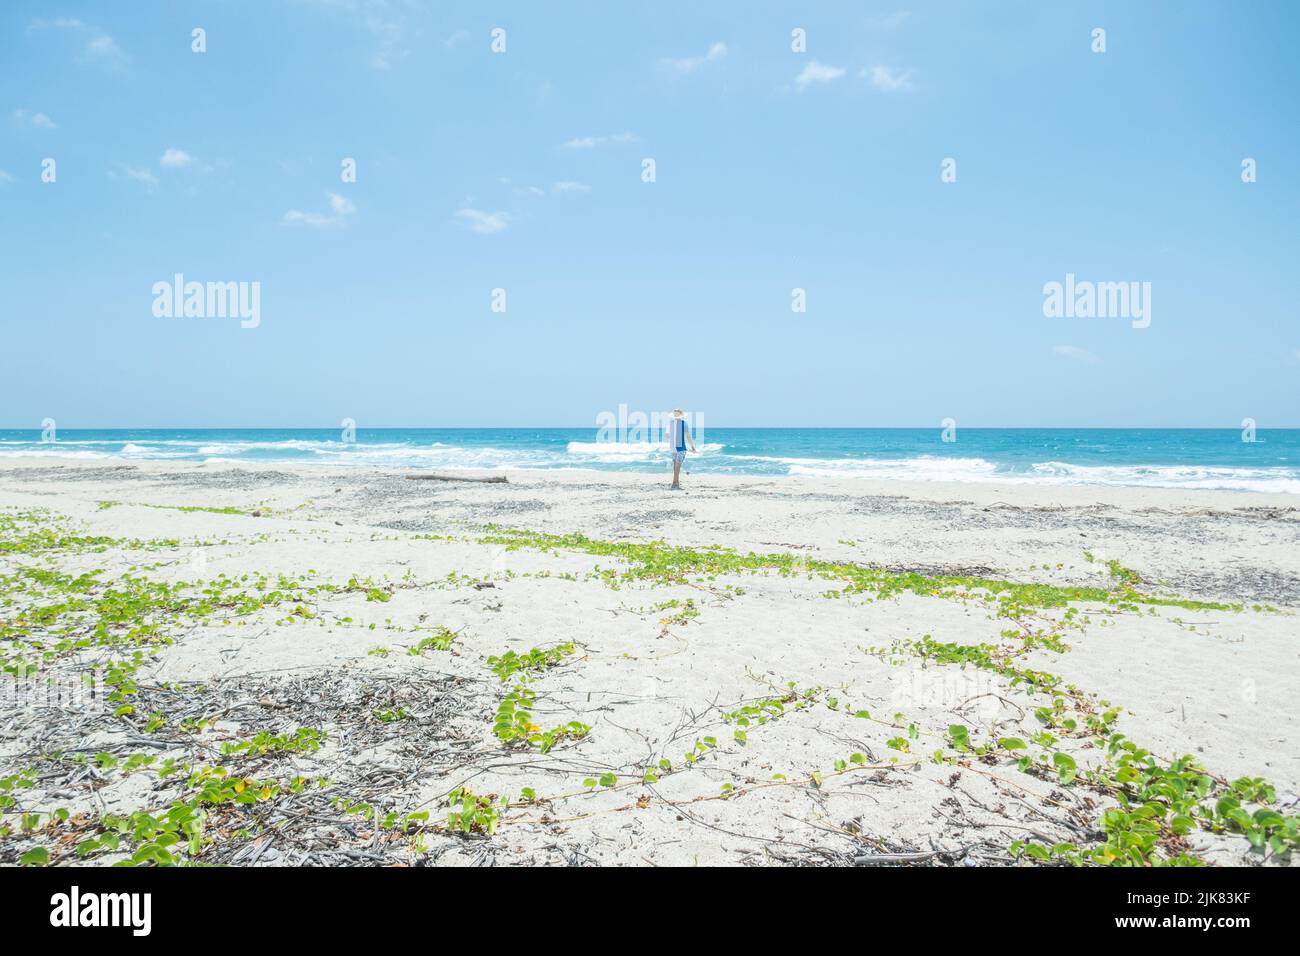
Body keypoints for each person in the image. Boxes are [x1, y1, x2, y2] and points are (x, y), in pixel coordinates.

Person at [666, 408, 696, 490]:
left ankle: (675, 484)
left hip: (676, 447)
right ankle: (675, 484)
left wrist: (692, 446)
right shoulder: (681, 424)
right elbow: (688, 436)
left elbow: (668, 436)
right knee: (677, 466)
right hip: (678, 447)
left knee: (676, 466)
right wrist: (692, 447)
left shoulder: (674, 424)